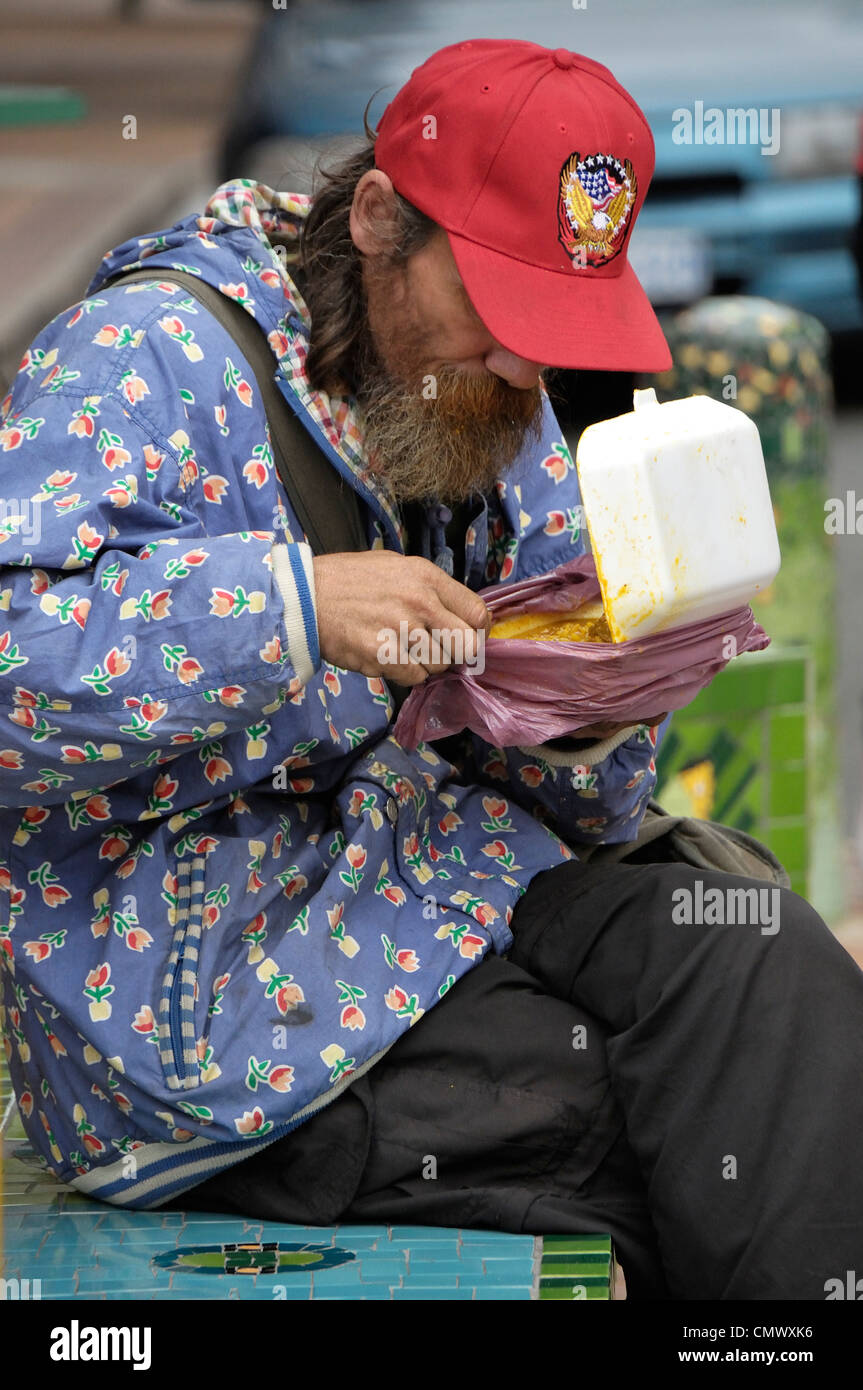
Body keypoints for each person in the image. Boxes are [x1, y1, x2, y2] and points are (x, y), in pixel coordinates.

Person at [1, 39, 860, 1301]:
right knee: (687, 1128)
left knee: (757, 961)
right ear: (377, 219)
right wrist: (291, 611)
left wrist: (588, 711)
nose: (526, 372)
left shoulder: (488, 401)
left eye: (555, 330)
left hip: (430, 895)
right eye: (505, 316)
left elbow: (591, 795)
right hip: (207, 1014)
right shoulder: (141, 360)